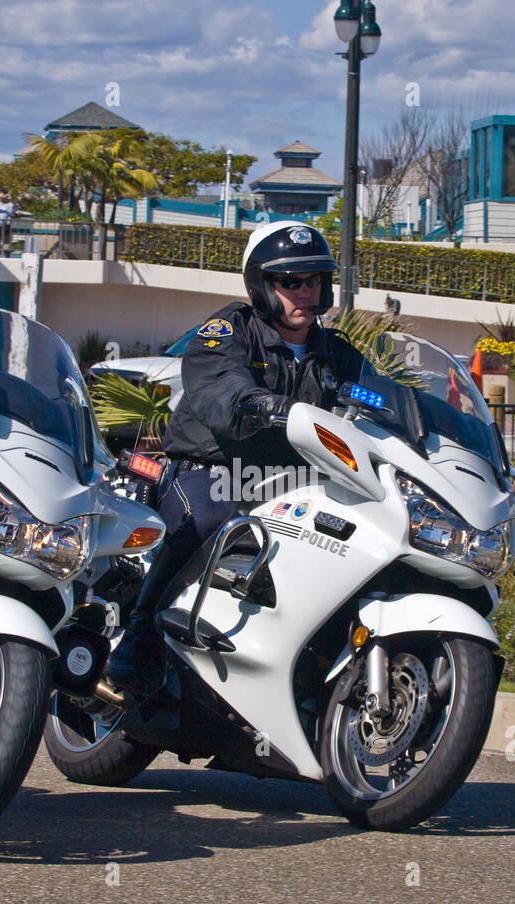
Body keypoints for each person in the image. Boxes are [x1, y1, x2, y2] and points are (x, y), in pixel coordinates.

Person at [105, 220, 366, 692]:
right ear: (262, 285)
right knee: (206, 522)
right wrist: (262, 403)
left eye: (313, 280)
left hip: (297, 484)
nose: (305, 291)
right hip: (218, 470)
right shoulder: (226, 331)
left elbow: (387, 399)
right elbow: (219, 387)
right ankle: (137, 638)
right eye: (291, 282)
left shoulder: (338, 353)